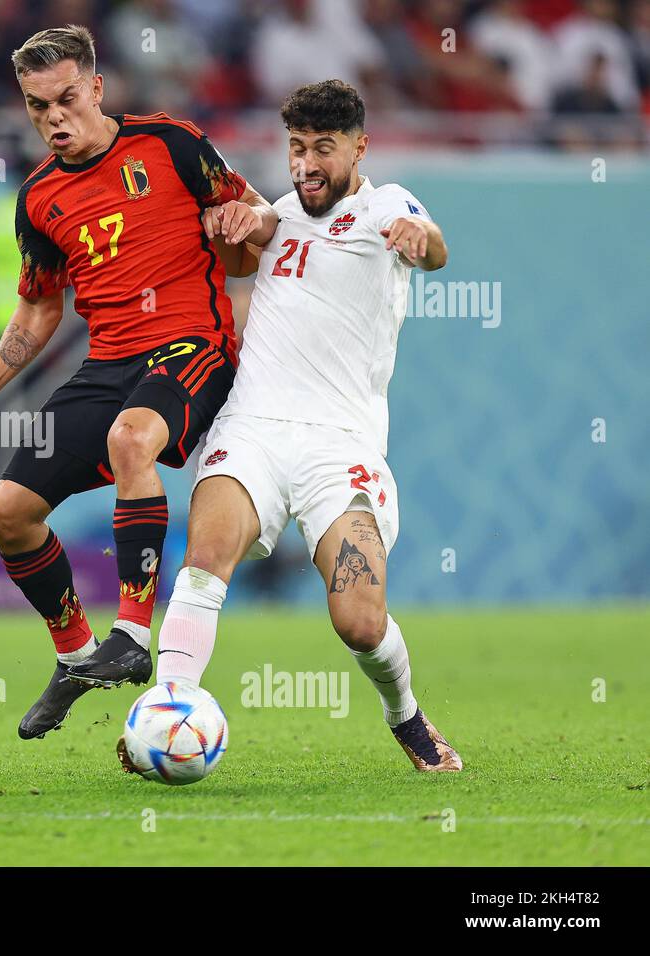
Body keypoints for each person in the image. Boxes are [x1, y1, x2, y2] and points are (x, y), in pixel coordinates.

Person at [0, 25, 278, 740]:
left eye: (66, 98)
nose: (54, 118)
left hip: (195, 344)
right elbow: (38, 309)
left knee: (133, 440)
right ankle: (78, 654)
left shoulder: (171, 144)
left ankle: (133, 631)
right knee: (7, 513)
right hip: (109, 364)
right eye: (37, 107)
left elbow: (259, 225)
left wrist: (239, 220)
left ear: (97, 87)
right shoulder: (38, 200)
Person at [135, 80, 462, 773]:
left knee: (360, 622)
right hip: (251, 426)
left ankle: (404, 715)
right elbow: (231, 270)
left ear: (359, 147)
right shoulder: (278, 215)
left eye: (323, 148)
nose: (306, 163)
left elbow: (433, 249)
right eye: (296, 147)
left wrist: (419, 236)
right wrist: (230, 232)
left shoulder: (387, 205)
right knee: (204, 560)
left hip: (339, 443)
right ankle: (168, 712)